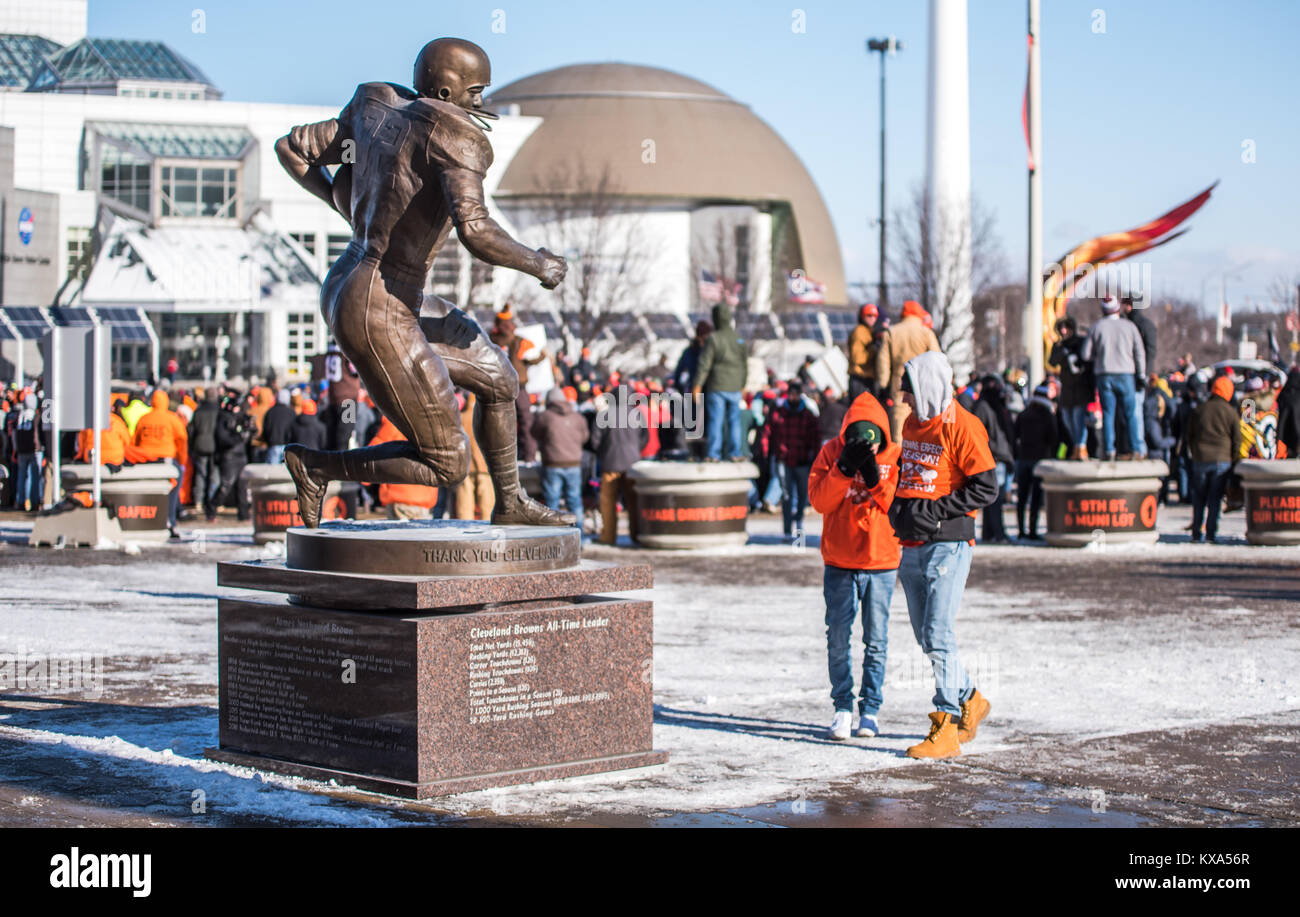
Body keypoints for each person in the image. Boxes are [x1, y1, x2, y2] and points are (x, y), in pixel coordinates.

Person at [275, 37, 571, 528]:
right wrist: (537, 263)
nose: (480, 102)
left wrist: (346, 208)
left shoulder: (374, 106)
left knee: (499, 378)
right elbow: (476, 231)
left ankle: (511, 501)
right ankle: (318, 465)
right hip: (378, 303)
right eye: (474, 92)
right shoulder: (454, 138)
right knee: (447, 461)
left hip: (366, 284)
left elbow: (292, 149)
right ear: (445, 90)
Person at [888, 351, 999, 759]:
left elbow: (986, 488)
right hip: (912, 543)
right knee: (925, 637)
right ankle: (970, 697)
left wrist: (934, 510)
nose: (906, 399)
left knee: (938, 634)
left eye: (910, 391)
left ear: (929, 388)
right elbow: (909, 472)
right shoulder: (912, 423)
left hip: (948, 544)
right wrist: (897, 509)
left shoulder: (964, 426)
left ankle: (947, 723)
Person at [808, 391, 901, 741]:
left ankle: (871, 710)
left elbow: (897, 507)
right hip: (840, 562)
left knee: (876, 640)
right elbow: (819, 501)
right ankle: (843, 707)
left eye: (874, 445)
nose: (870, 452)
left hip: (881, 561)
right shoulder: (831, 453)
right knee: (838, 638)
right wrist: (843, 469)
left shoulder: (895, 455)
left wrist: (876, 479)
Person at [1080, 296, 1146, 460]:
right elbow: (1139, 353)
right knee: (1130, 414)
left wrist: (1100, 355)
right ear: (1117, 308)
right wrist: (1141, 374)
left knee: (1108, 413)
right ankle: (1136, 449)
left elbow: (1085, 354)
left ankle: (1109, 449)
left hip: (1104, 374)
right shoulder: (1129, 326)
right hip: (1126, 374)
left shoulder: (1097, 327)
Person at [590, 384, 648, 545]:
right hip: (632, 465)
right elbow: (645, 438)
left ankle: (608, 536)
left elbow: (595, 441)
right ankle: (636, 534)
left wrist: (605, 451)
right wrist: (635, 451)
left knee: (608, 502)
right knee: (633, 502)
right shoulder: (637, 415)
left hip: (610, 463)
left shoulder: (604, 415)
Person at [489, 307, 549, 463]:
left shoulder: (489, 339)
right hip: (518, 386)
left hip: (497, 386)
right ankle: (528, 455)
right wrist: (543, 355)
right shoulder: (518, 341)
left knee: (501, 422)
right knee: (525, 420)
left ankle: (503, 457)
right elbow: (531, 359)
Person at [1186, 375, 1240, 543]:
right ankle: (1210, 533)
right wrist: (1233, 459)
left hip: (1200, 459)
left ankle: (1196, 532)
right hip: (1221, 461)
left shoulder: (1200, 409)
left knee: (1199, 499)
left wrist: (1195, 453)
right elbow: (1237, 440)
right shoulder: (1231, 413)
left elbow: (1189, 435)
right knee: (1214, 500)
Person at [877, 300, 941, 440]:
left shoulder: (891, 332)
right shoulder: (926, 332)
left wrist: (883, 384)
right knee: (924, 421)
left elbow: (883, 361)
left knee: (899, 424)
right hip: (924, 383)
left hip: (899, 384)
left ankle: (901, 458)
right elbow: (937, 359)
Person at [691, 303, 748, 462]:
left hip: (717, 386)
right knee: (734, 421)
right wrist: (743, 385)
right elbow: (744, 366)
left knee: (716, 420)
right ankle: (735, 452)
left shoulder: (713, 340)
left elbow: (704, 365)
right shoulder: (739, 340)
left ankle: (714, 454)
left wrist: (697, 385)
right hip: (735, 386)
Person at [767, 381, 821, 543]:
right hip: (784, 460)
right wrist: (772, 451)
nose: (794, 397)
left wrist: (815, 456)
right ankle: (786, 530)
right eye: (791, 394)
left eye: (796, 394)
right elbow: (770, 432)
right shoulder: (779, 413)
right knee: (787, 496)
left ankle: (798, 526)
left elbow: (815, 438)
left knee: (801, 496)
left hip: (802, 461)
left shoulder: (807, 415)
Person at [133, 390, 189, 534]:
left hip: (146, 460)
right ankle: (169, 521)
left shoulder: (144, 419)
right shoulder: (172, 419)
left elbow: (135, 442)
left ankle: (146, 520)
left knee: (148, 492)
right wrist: (182, 462)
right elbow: (182, 442)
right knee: (172, 492)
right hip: (167, 461)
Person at [531, 387, 589, 521]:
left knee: (552, 503)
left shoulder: (545, 416)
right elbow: (585, 437)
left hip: (552, 463)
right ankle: (578, 535)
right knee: (574, 501)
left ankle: (554, 536)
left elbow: (534, 433)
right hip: (574, 463)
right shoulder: (577, 417)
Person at [368, 414, 440, 520]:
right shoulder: (431, 424)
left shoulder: (394, 423)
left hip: (398, 494)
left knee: (398, 535)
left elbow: (373, 454)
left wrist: (365, 481)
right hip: (425, 497)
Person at [1013, 384, 1059, 539]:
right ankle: (1032, 530)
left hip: (1023, 458)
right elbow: (1054, 437)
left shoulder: (1024, 413)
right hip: (1039, 460)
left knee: (1022, 497)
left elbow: (1015, 434)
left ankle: (1021, 530)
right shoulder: (1047, 415)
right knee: (1035, 499)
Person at [972, 375, 1014, 544]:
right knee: (995, 498)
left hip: (998, 455)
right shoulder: (986, 406)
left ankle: (991, 532)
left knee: (993, 498)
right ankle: (997, 532)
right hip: (994, 456)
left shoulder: (993, 405)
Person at [1048, 316, 1093, 459]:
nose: (1063, 331)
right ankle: (1077, 446)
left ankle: (1081, 447)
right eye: (1061, 328)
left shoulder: (1080, 342)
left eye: (1066, 327)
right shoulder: (1059, 346)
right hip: (1067, 388)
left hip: (1080, 387)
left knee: (1078, 418)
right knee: (1068, 419)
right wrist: (1062, 352)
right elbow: (1052, 361)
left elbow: (1086, 360)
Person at [454, 391, 495, 520]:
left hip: (465, 467)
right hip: (484, 467)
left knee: (464, 509)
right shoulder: (486, 418)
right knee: (487, 509)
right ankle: (489, 536)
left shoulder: (460, 418)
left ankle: (465, 535)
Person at [188, 388, 222, 514]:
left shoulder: (198, 410)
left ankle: (198, 501)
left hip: (200, 444)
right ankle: (212, 500)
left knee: (200, 473)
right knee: (214, 474)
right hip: (215, 445)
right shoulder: (219, 410)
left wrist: (192, 445)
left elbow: (191, 430)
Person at [13, 392, 45, 511]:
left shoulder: (20, 416)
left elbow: (14, 434)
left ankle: (21, 501)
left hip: (21, 450)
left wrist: (16, 449)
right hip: (34, 450)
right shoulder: (35, 416)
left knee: (22, 477)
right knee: (34, 476)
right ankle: (34, 501)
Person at [847, 303, 882, 401]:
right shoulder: (859, 332)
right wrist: (874, 349)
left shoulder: (869, 332)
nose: (872, 319)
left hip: (868, 378)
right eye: (869, 315)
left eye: (875, 316)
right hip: (860, 378)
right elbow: (857, 358)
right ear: (862, 316)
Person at [261, 389, 295, 464]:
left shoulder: (270, 412)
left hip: (273, 444)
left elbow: (266, 429)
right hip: (287, 446)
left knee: (272, 473)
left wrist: (268, 441)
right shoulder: (291, 412)